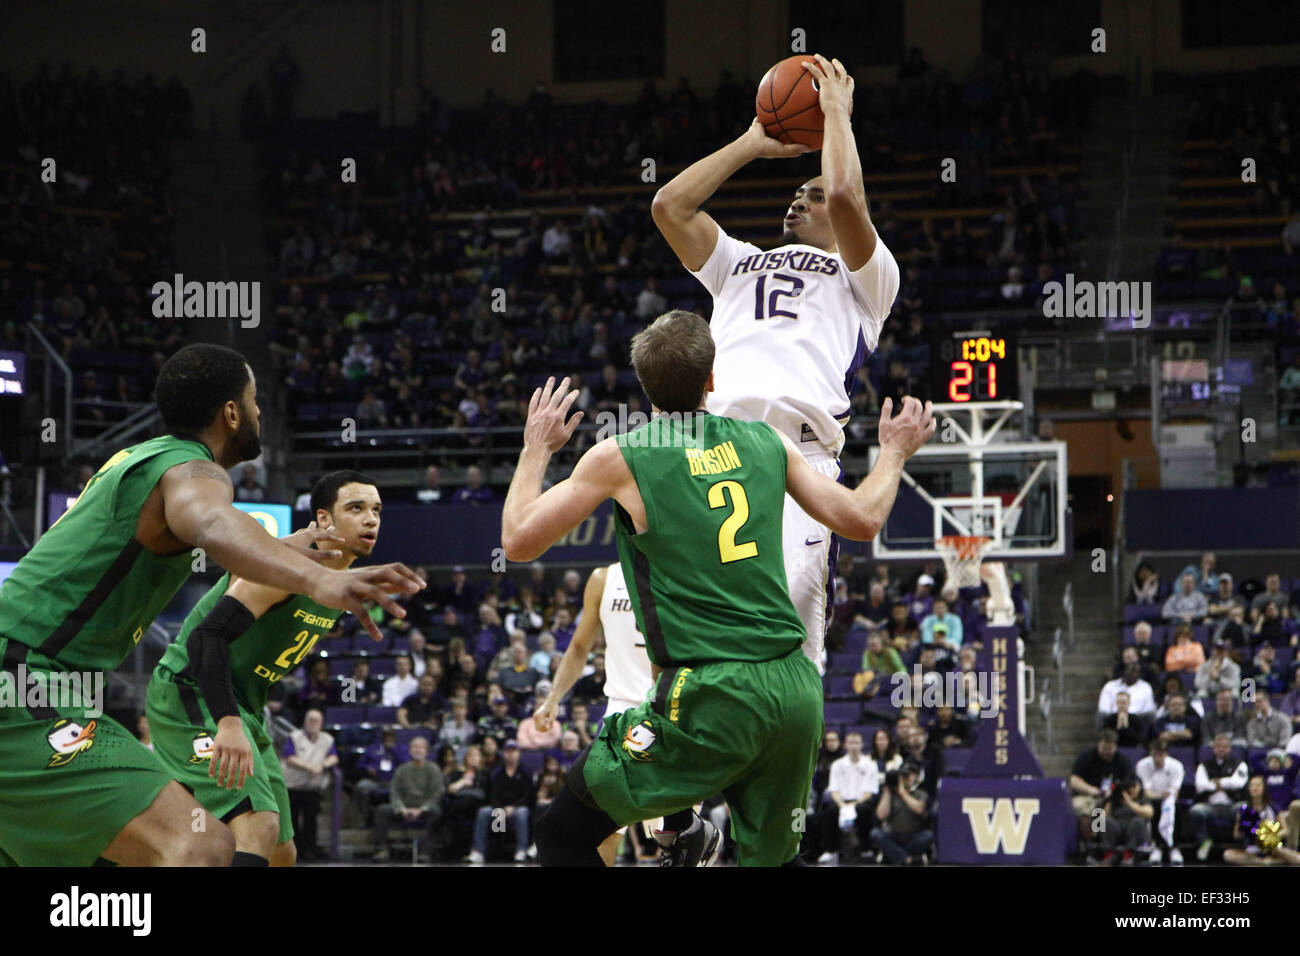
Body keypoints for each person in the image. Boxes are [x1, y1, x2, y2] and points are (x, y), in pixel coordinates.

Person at [504, 311, 934, 867]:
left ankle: (684, 827)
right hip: (793, 691)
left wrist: (538, 446)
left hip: (711, 695)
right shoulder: (768, 441)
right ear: (712, 380)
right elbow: (861, 519)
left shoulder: (620, 457)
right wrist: (895, 451)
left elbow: (517, 540)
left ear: (644, 385)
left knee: (562, 832)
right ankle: (685, 827)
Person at [0, 344, 420, 867]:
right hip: (24, 682)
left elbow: (210, 541)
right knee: (203, 845)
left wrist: (294, 550)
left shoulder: (144, 460)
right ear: (231, 412)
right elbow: (212, 524)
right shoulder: (192, 470)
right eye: (255, 399)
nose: (261, 411)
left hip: (43, 682)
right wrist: (318, 579)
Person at [650, 55, 900, 674]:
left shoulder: (866, 277)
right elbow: (669, 207)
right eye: (795, 193)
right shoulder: (737, 262)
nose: (800, 201)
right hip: (717, 451)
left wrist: (836, 114)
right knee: (706, 641)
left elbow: (844, 193)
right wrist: (752, 143)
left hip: (800, 460)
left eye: (811, 197)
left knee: (788, 638)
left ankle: (792, 763)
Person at [146, 470, 399, 867]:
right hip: (191, 691)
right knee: (257, 824)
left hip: (244, 708)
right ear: (324, 519)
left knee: (282, 852)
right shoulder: (286, 568)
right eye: (356, 508)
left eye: (377, 510)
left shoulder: (337, 585)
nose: (371, 519)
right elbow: (205, 638)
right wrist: (228, 723)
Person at [534, 562, 656, 865]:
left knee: (675, 832)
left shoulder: (681, 566)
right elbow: (578, 647)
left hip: (668, 706)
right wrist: (552, 698)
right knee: (603, 832)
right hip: (621, 712)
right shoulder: (603, 578)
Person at [372, 736, 444, 862]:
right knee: (382, 811)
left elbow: (436, 794)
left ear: (426, 751)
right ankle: (382, 849)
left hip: (424, 810)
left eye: (420, 747)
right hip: (404, 809)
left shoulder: (433, 769)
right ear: (410, 750)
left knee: (436, 812)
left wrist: (422, 809)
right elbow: (395, 792)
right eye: (414, 747)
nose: (417, 750)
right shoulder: (402, 770)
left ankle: (425, 851)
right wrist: (401, 808)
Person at [281, 709, 338, 863]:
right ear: (305, 722)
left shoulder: (327, 739)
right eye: (310, 720)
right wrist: (309, 767)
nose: (313, 723)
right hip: (292, 786)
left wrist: (322, 766)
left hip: (312, 787)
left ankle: (309, 851)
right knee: (291, 820)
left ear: (321, 723)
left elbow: (334, 757)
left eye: (316, 721)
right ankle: (294, 852)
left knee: (311, 820)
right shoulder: (294, 737)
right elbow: (289, 758)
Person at [815, 731, 880, 864]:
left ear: (862, 745)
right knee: (829, 812)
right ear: (845, 745)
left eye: (856, 742)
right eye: (850, 742)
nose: (853, 746)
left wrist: (853, 805)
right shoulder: (837, 765)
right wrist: (843, 806)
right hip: (841, 802)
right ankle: (831, 850)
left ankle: (866, 849)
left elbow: (869, 792)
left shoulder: (870, 765)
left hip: (860, 802)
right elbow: (834, 790)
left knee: (865, 811)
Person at [469, 740, 533, 863]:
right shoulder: (497, 772)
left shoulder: (525, 772)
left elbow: (528, 796)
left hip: (518, 808)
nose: (511, 754)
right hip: (499, 808)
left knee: (522, 813)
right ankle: (478, 851)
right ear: (503, 754)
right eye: (508, 752)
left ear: (519, 753)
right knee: (483, 812)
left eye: (514, 751)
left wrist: (513, 807)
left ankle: (521, 850)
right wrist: (500, 808)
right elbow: (492, 795)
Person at [1191, 732, 1249, 861]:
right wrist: (1226, 782)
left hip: (1232, 804)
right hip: (1210, 806)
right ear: (1214, 748)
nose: (1221, 749)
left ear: (1229, 748)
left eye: (1224, 746)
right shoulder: (1204, 765)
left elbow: (1238, 784)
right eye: (1218, 746)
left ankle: (1244, 845)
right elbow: (1200, 786)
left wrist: (1216, 782)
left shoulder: (1239, 764)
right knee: (1196, 811)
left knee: (1244, 808)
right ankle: (1204, 844)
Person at [1069, 730, 1134, 841]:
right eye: (1104, 748)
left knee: (1102, 811)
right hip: (1089, 796)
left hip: (1112, 798)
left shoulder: (1122, 762)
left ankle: (1100, 840)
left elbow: (1129, 783)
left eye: (1110, 749)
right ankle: (1088, 842)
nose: (1106, 752)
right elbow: (1073, 780)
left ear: (1115, 746)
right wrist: (1091, 790)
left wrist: (1113, 793)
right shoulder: (1087, 757)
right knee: (1081, 807)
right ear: (1099, 744)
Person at [1222, 775, 1300, 866]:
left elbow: (1286, 830)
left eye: (1258, 785)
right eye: (1252, 786)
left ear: (1264, 788)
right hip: (1252, 849)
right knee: (1228, 855)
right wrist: (1248, 830)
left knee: (1297, 859)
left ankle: (1272, 860)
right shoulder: (1244, 810)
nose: (1254, 788)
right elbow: (1236, 835)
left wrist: (1271, 837)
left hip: (1273, 848)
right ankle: (1263, 862)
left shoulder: (1272, 807)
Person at [869, 762, 932, 864]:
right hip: (893, 834)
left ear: (917, 777)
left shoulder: (921, 793)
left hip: (914, 835)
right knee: (875, 834)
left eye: (912, 775)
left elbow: (919, 809)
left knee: (928, 836)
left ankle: (897, 856)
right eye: (905, 775)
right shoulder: (890, 795)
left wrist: (902, 792)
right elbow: (881, 815)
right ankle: (907, 859)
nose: (909, 778)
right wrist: (887, 792)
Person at [1135, 739, 1185, 864]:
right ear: (1150, 753)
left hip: (1169, 799)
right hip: (1151, 799)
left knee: (1175, 808)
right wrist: (1158, 796)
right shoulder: (1142, 765)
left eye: (1160, 754)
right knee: (1153, 809)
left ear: (1166, 754)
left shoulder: (1176, 766)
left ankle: (1173, 846)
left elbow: (1176, 791)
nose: (1157, 758)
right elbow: (1146, 792)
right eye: (1154, 754)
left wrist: (1167, 796)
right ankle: (1157, 846)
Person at [1096, 775, 1153, 866]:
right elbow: (1102, 818)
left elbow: (1149, 813)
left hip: (1134, 831)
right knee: (1106, 822)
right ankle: (1108, 854)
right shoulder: (1117, 800)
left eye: (1134, 787)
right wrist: (1111, 798)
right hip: (1118, 829)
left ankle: (1129, 855)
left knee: (1137, 821)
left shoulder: (1142, 800)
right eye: (1130, 787)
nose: (1132, 790)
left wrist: (1129, 802)